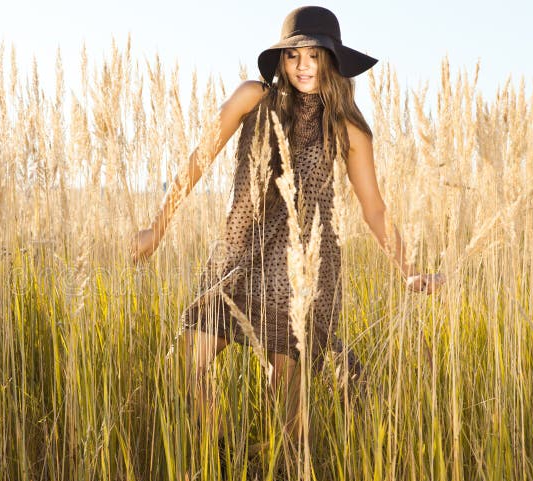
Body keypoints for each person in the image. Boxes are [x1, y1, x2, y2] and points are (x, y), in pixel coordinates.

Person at [130, 6, 444, 437]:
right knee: (184, 362)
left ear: (331, 60)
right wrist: (157, 228)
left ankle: (287, 475)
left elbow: (374, 209)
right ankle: (220, 455)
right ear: (281, 59)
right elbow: (199, 159)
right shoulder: (252, 97)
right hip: (240, 254)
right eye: (294, 55)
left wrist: (408, 270)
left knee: (283, 396)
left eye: (314, 55)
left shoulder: (348, 128)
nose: (303, 66)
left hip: (301, 267)